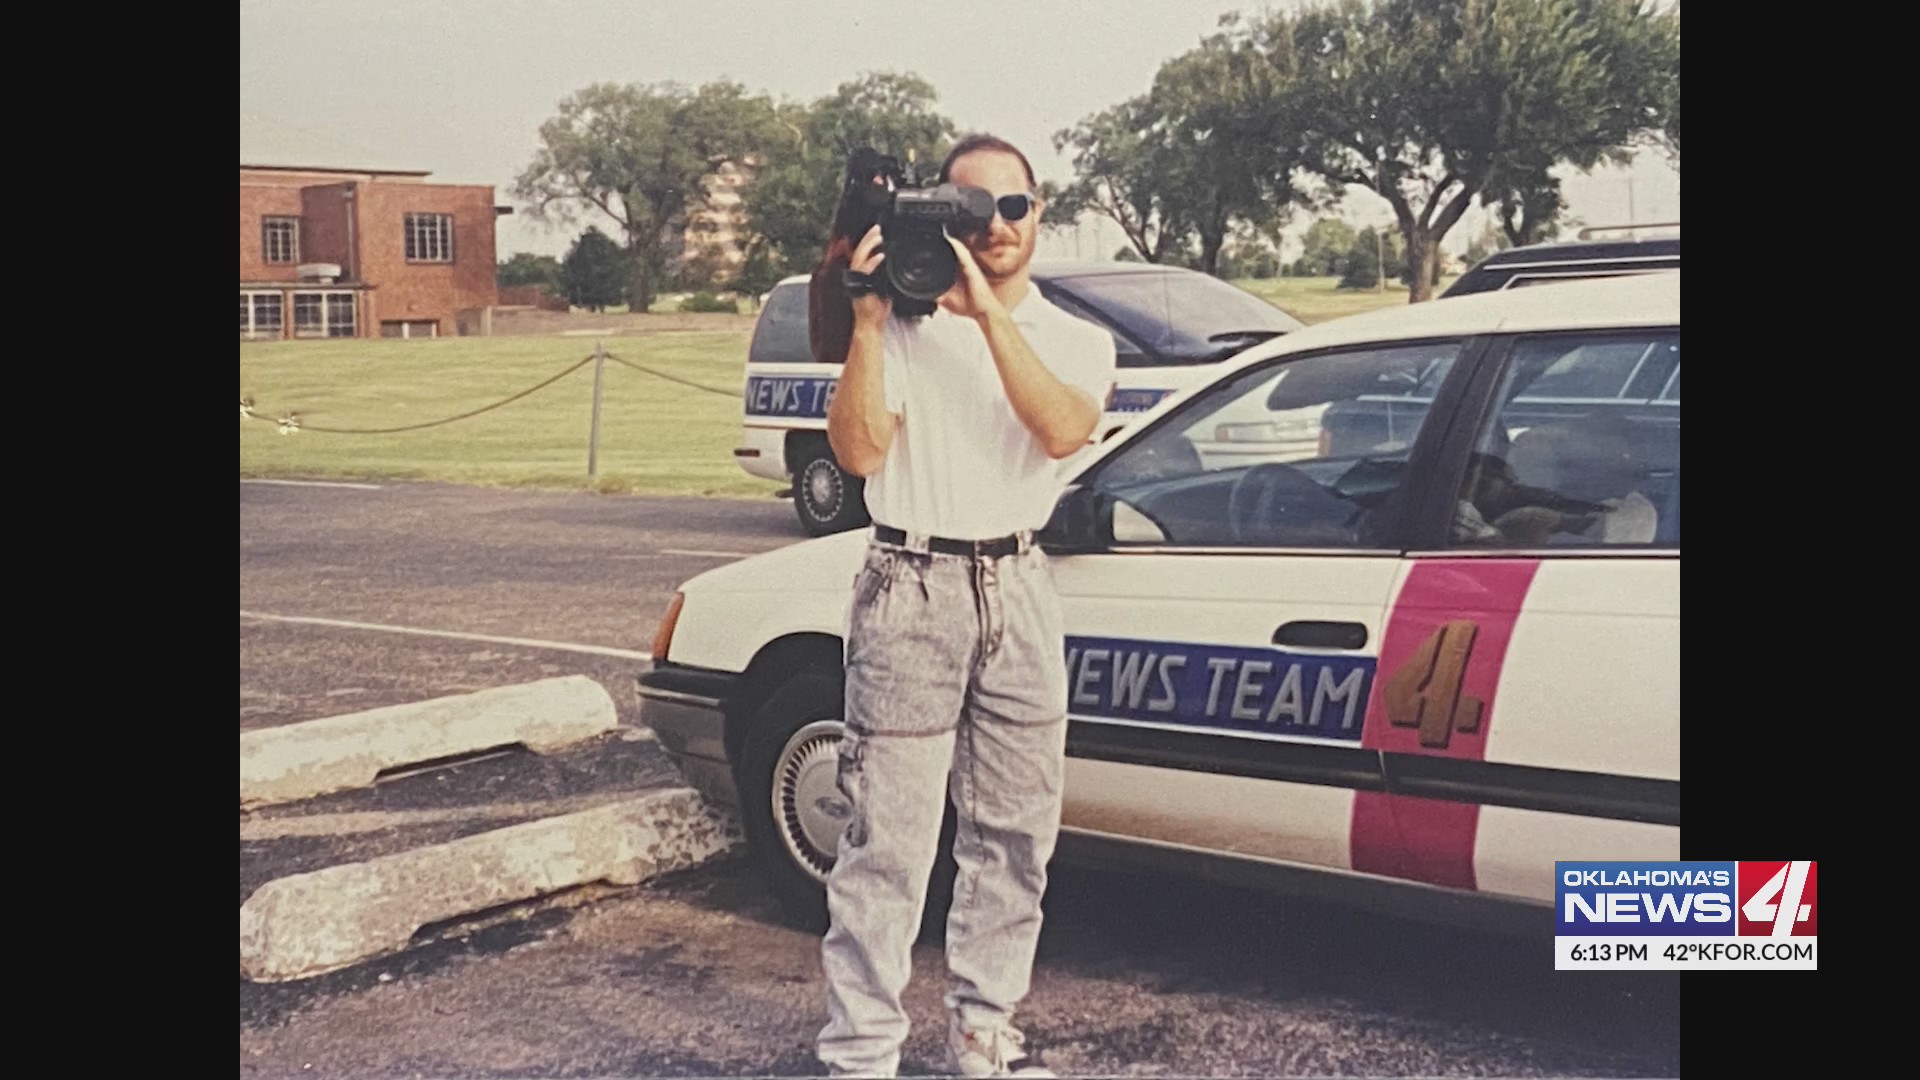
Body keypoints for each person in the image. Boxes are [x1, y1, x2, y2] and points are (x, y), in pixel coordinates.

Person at [816, 133, 1116, 1079]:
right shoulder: (899, 325)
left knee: (1015, 837)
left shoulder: (1078, 337)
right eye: (969, 208)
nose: (993, 227)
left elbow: (1063, 427)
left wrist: (984, 312)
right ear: (934, 213)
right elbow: (861, 456)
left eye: (1012, 208)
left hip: (1020, 587)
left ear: (1039, 215)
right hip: (911, 583)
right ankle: (863, 1053)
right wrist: (868, 324)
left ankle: (986, 1031)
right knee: (888, 847)